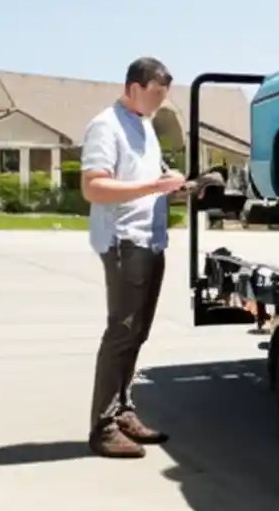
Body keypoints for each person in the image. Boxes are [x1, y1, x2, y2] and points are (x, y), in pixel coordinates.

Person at [80, 57, 186, 458]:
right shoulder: (106, 125)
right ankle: (103, 427)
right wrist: (151, 186)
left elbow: (148, 181)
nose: (160, 103)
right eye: (156, 94)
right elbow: (94, 187)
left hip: (150, 240)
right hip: (123, 241)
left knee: (137, 332)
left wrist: (180, 187)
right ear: (134, 86)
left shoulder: (143, 124)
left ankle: (123, 411)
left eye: (164, 96)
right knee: (121, 332)